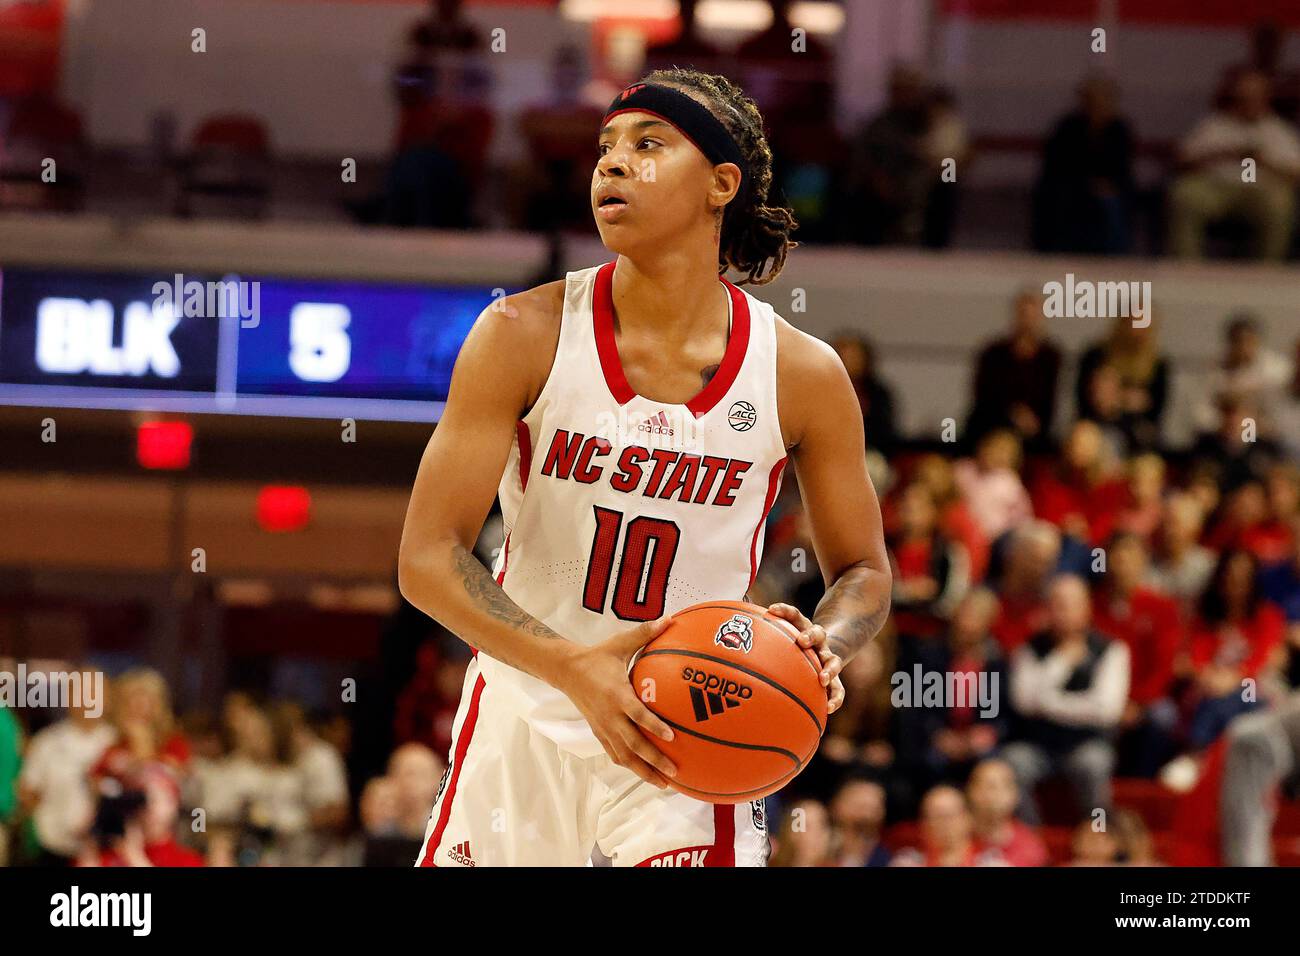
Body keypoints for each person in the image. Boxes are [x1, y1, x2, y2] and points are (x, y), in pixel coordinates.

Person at [397, 68, 892, 867]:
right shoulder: (521, 332)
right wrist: (574, 668)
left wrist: (823, 643)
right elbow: (425, 560)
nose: (612, 163)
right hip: (529, 705)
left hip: (701, 716)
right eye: (606, 147)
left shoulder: (802, 374)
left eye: (649, 144)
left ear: (721, 184)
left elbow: (865, 570)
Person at [1003, 575, 1131, 823]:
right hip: (1039, 745)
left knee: (1094, 764)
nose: (1063, 612)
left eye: (1071, 604)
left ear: (1087, 609)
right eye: (1057, 604)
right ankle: (1032, 840)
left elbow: (1106, 710)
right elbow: (1023, 702)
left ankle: (1097, 836)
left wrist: (1048, 703)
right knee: (1012, 761)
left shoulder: (1111, 650)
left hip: (1087, 743)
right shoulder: (1030, 649)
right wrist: (1059, 663)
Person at [1168, 69, 1300, 261]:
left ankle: (1267, 272)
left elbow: (1295, 175)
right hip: (1216, 189)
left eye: (1255, 97)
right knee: (1184, 194)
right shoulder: (1215, 125)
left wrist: (1263, 162)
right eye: (1243, 98)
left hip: (1262, 190)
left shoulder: (1278, 131)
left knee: (1281, 203)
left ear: (1266, 98)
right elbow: (1181, 162)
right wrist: (1222, 154)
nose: (1249, 103)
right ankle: (1187, 267)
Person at [1032, 74, 1136, 255]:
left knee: (1111, 202)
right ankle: (1057, 252)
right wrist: (1087, 183)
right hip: (1070, 184)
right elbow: (1058, 163)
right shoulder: (1068, 127)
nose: (1099, 104)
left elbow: (1121, 166)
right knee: (1060, 199)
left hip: (1109, 187)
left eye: (1104, 98)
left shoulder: (1119, 129)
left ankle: (1115, 256)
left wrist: (1107, 184)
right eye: (1093, 99)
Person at [18, 700, 116, 865]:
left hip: (107, 851)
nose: (87, 701)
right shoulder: (47, 740)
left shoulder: (117, 740)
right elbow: (27, 790)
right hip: (53, 847)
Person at [965, 289, 1063, 453]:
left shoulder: (1051, 356)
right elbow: (983, 394)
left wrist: (1031, 420)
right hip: (993, 423)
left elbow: (1051, 399)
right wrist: (1013, 414)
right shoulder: (993, 352)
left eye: (1033, 315)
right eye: (1024, 314)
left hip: (1036, 430)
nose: (1028, 321)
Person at [966, 758, 1048, 866]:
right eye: (988, 786)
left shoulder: (1030, 846)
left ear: (1016, 795)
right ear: (970, 791)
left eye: (1003, 786)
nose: (994, 795)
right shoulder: (951, 836)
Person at [828, 776, 891, 867]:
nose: (866, 816)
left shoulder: (889, 856)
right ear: (835, 805)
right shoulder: (818, 851)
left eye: (873, 808)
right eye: (859, 806)